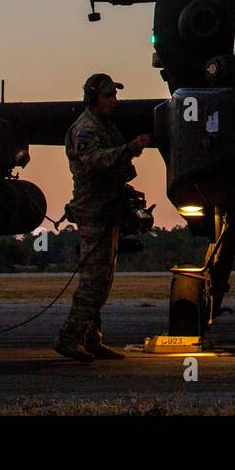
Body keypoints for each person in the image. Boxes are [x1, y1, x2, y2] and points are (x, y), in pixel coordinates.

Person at [53, 72, 151, 362]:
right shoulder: (86, 129)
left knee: (102, 278)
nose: (114, 101)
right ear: (93, 98)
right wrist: (130, 149)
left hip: (108, 208)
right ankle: (69, 337)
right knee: (94, 280)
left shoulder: (106, 127)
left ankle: (91, 338)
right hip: (94, 211)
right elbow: (95, 161)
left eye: (114, 95)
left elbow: (115, 163)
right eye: (108, 95)